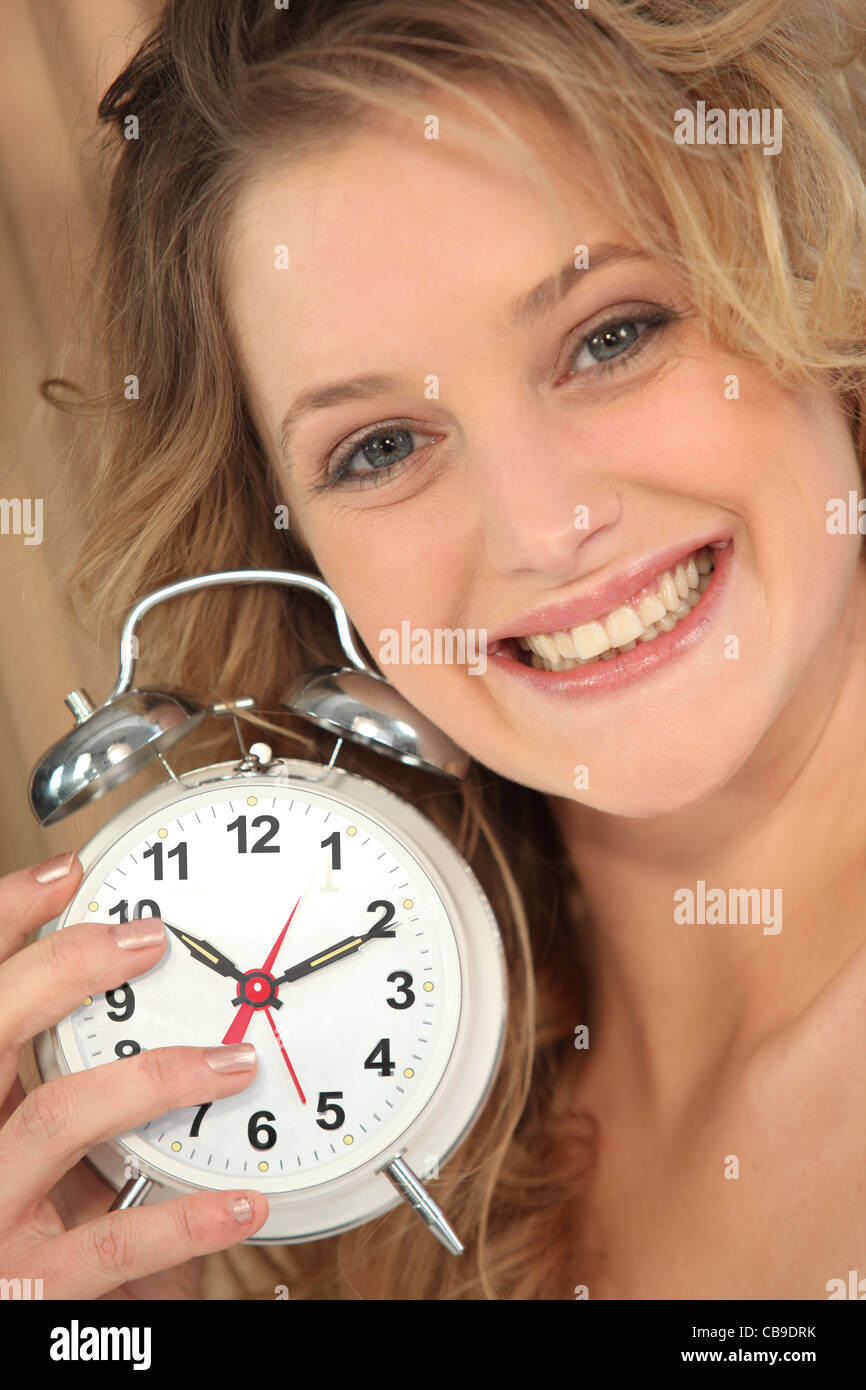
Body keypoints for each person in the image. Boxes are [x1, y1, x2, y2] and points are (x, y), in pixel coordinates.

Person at [2, 0, 865, 1300]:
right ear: (299, 567)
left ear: (810, 280)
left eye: (611, 335)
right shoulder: (365, 1153)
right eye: (382, 447)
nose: (541, 527)